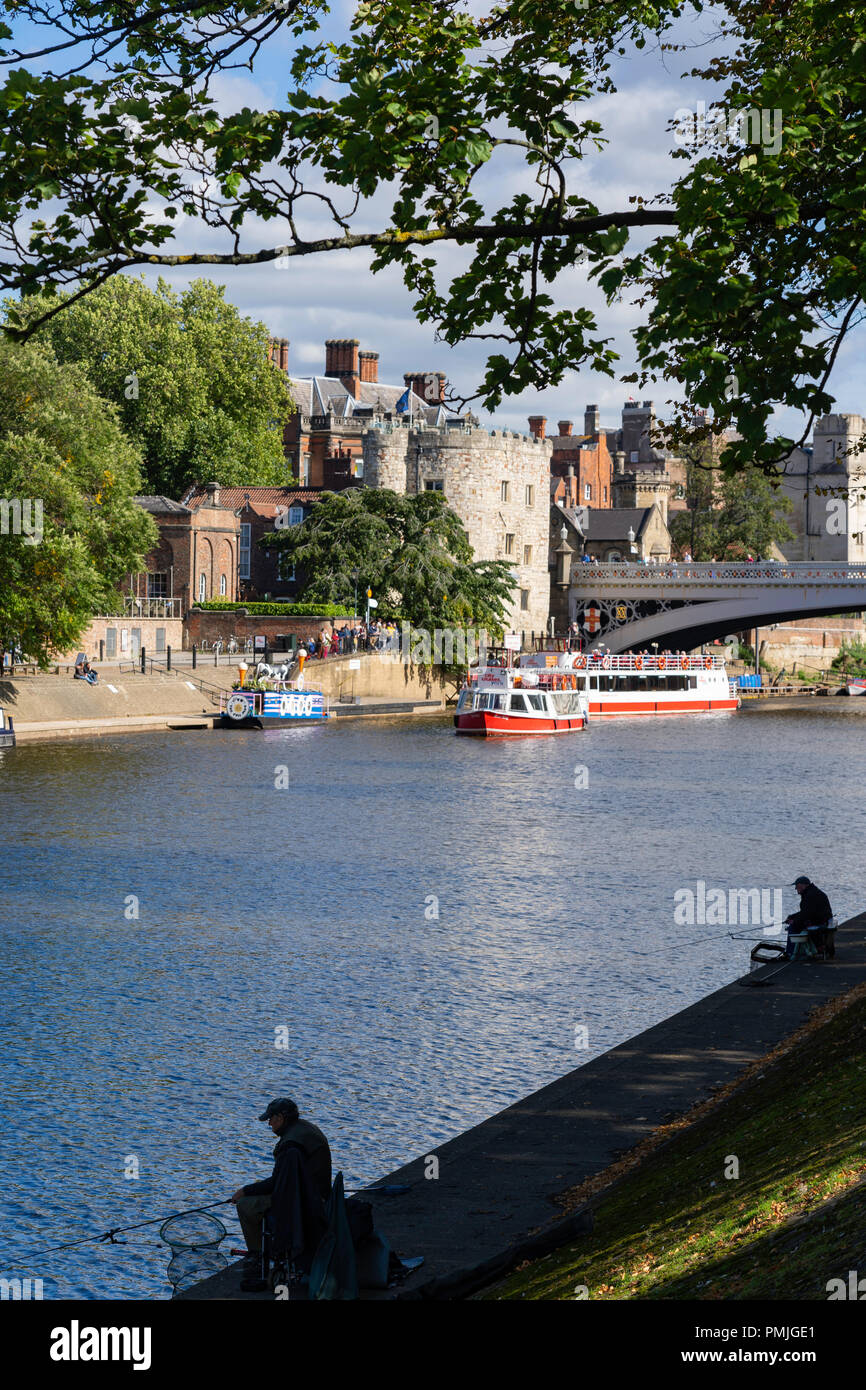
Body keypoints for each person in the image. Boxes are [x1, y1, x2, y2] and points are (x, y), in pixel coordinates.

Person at [231, 1097, 332, 1283]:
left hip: (305, 1200)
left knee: (246, 1206)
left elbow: (277, 1183)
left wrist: (244, 1191)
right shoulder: (305, 1128)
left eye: (270, 1118)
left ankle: (258, 1256)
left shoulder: (290, 1146)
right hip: (319, 1194)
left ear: (280, 1117)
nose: (269, 1123)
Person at [785, 875, 835, 960]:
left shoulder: (810, 895)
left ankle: (790, 953)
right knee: (796, 923)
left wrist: (794, 921)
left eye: (797, 887)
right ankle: (797, 949)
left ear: (803, 885)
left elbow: (807, 914)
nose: (796, 889)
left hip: (820, 921)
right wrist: (792, 917)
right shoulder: (811, 892)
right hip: (822, 918)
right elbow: (806, 912)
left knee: (792, 928)